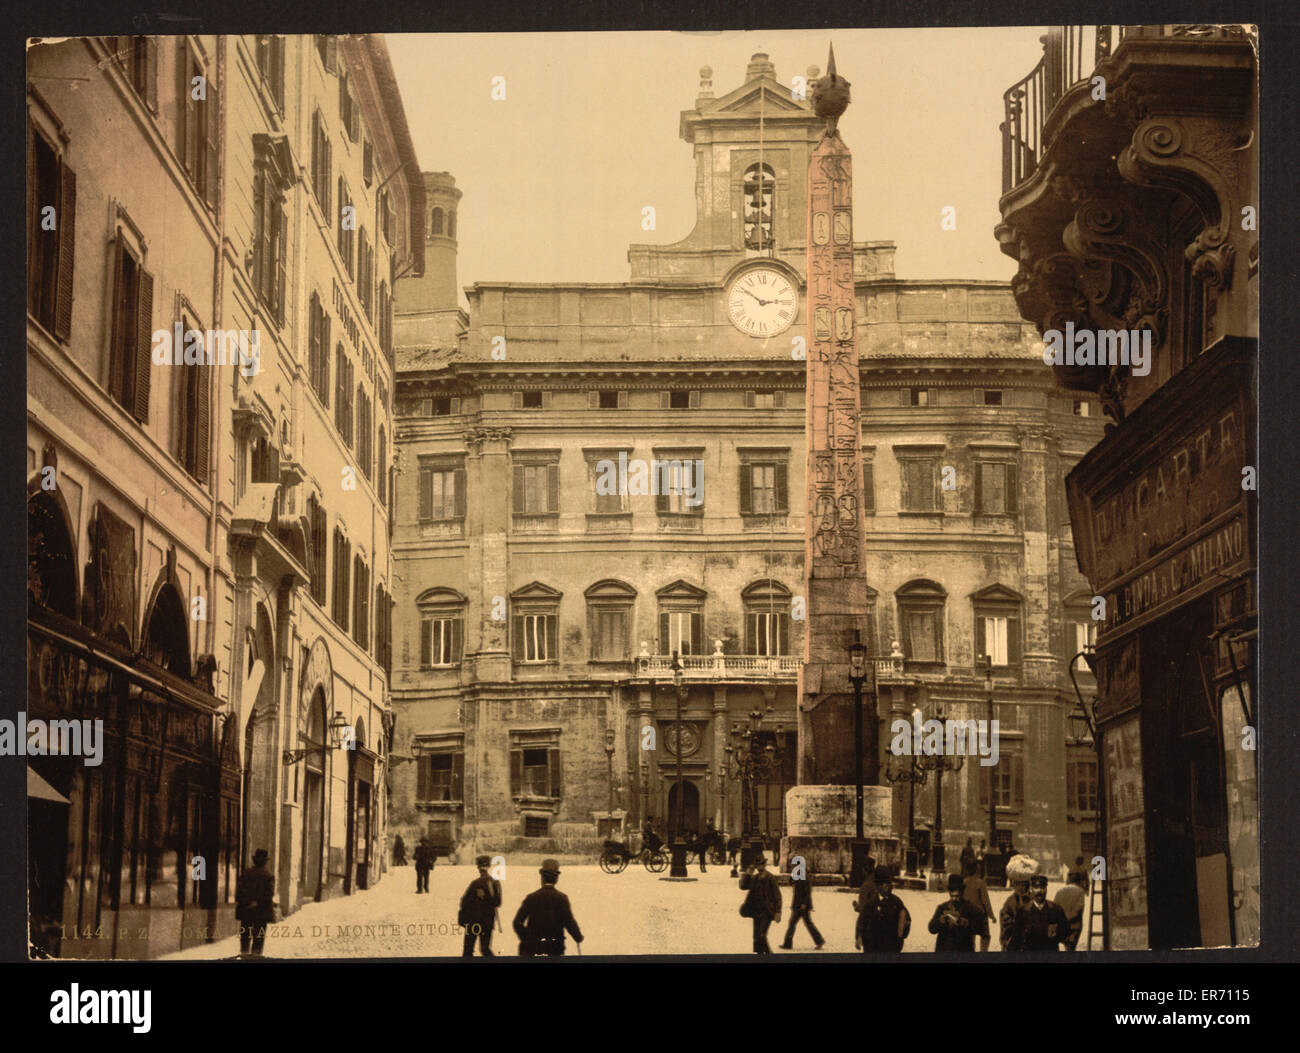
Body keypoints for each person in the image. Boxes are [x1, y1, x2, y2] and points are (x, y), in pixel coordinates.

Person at [513, 859, 583, 957]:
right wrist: (578, 937)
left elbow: (517, 922)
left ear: (542, 877)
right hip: (554, 948)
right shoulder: (562, 898)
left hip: (532, 949)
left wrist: (528, 938)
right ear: (556, 879)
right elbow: (569, 922)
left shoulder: (531, 897)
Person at [856, 865, 910, 953]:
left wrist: (901, 935)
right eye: (887, 884)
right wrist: (859, 937)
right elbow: (862, 921)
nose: (890, 886)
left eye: (890, 884)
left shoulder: (897, 902)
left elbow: (906, 920)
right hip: (872, 948)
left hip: (891, 948)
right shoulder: (870, 903)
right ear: (879, 886)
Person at [927, 873, 987, 952]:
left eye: (957, 896)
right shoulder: (942, 908)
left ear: (962, 893)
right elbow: (931, 928)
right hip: (944, 951)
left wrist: (966, 923)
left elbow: (982, 928)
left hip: (964, 952)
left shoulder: (971, 908)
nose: (954, 899)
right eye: (952, 896)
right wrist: (940, 921)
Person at [1012, 874, 1070, 951]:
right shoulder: (1023, 911)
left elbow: (1065, 931)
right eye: (1036, 887)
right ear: (1031, 889)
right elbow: (1015, 939)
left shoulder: (1056, 910)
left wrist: (1055, 936)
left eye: (1042, 887)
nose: (1039, 890)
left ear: (1046, 889)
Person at [459, 854, 503, 957]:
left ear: (478, 867)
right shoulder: (495, 883)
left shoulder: (475, 884)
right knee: (485, 948)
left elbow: (464, 902)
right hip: (487, 921)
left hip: (473, 921)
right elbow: (497, 902)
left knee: (468, 950)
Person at [235, 848, 276, 958]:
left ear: (254, 860)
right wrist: (257, 903)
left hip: (246, 909)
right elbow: (269, 894)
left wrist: (248, 903)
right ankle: (256, 955)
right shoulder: (269, 876)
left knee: (245, 933)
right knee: (259, 935)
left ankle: (244, 953)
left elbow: (239, 891)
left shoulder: (246, 873)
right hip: (261, 911)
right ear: (265, 861)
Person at [739, 855, 782, 954]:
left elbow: (777, 896)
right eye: (757, 865)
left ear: (765, 865)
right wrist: (748, 874)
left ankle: (769, 954)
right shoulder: (754, 878)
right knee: (756, 937)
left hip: (767, 911)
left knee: (762, 934)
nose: (759, 867)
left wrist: (778, 911)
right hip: (756, 911)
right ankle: (760, 955)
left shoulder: (770, 878)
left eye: (761, 864)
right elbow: (743, 886)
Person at [779, 865, 824, 950]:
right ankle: (819, 941)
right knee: (803, 923)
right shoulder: (799, 877)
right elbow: (791, 883)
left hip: (802, 906)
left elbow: (807, 892)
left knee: (795, 923)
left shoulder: (805, 878)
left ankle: (788, 944)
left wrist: (804, 904)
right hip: (798, 905)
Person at [960, 858, 995, 951]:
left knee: (970, 937)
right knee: (985, 936)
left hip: (967, 914)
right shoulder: (981, 883)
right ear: (976, 870)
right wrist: (991, 916)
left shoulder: (963, 882)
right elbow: (985, 901)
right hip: (980, 915)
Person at [1054, 870, 1088, 951]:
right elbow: (1078, 909)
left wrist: (1062, 920)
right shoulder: (1080, 892)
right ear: (1079, 880)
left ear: (1068, 879)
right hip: (1074, 927)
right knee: (1071, 949)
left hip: (1062, 926)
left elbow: (1054, 907)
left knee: (1066, 947)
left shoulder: (1060, 891)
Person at [999, 875, 1032, 950]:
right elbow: (1004, 915)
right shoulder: (1010, 900)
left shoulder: (1032, 898)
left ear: (1027, 886)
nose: (1020, 888)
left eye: (1023, 885)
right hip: (1013, 937)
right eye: (1017, 884)